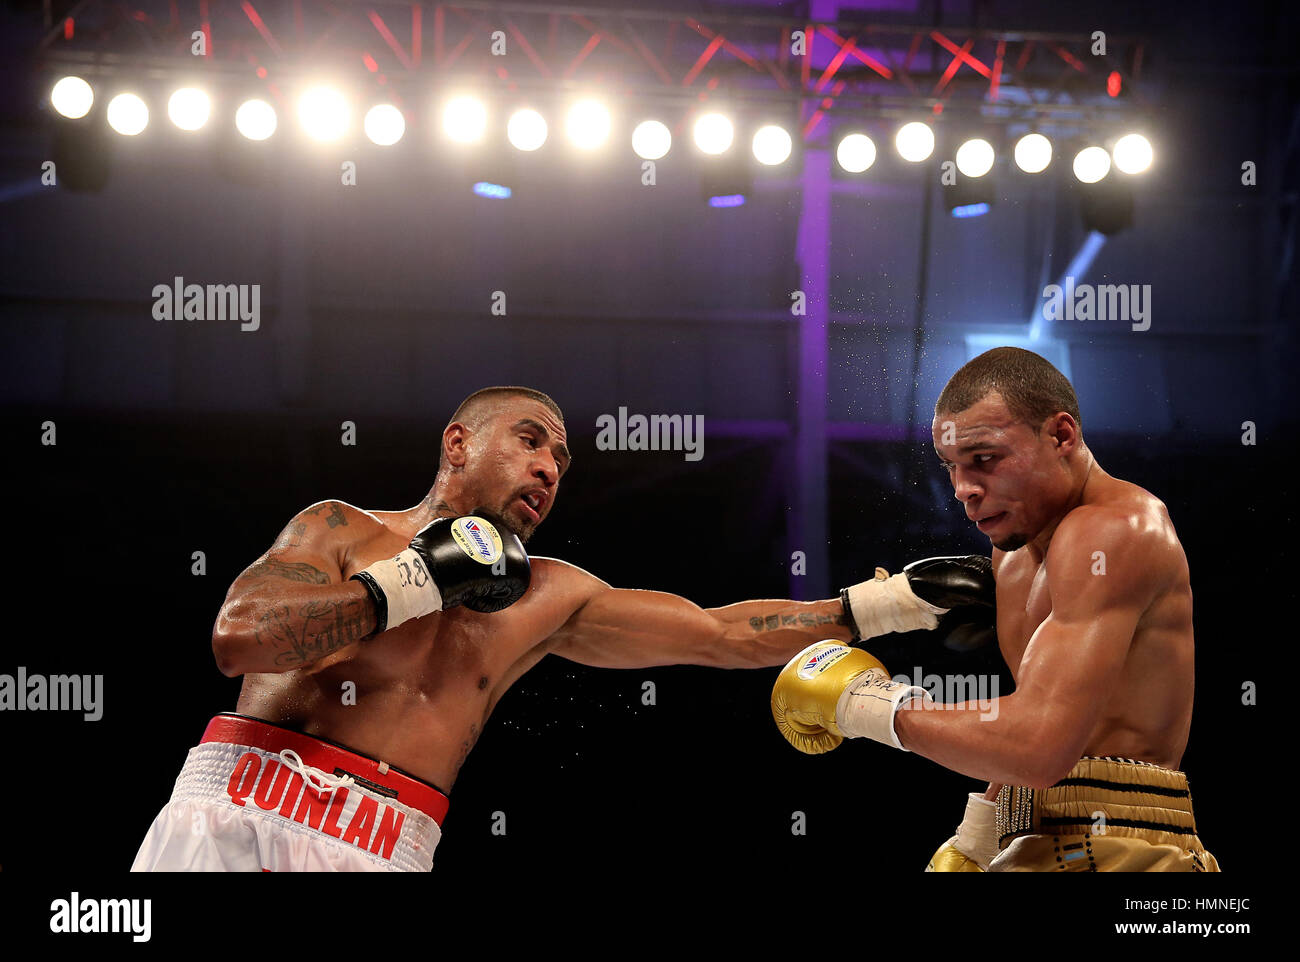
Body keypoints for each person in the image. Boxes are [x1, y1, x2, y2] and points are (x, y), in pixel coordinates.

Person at [133, 385, 993, 872]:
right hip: (235, 809)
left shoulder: (550, 596)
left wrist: (888, 607)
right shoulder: (340, 529)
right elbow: (239, 640)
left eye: (562, 462)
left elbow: (721, 634)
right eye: (532, 440)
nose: (549, 467)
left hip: (381, 847)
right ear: (458, 444)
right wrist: (412, 583)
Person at [771, 347, 1218, 872]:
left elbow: (1039, 744)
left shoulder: (1114, 531)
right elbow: (1036, 715)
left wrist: (862, 704)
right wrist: (979, 833)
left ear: (1061, 436)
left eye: (985, 459)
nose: (964, 489)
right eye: (953, 466)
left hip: (1128, 846)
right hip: (1034, 833)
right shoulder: (1011, 557)